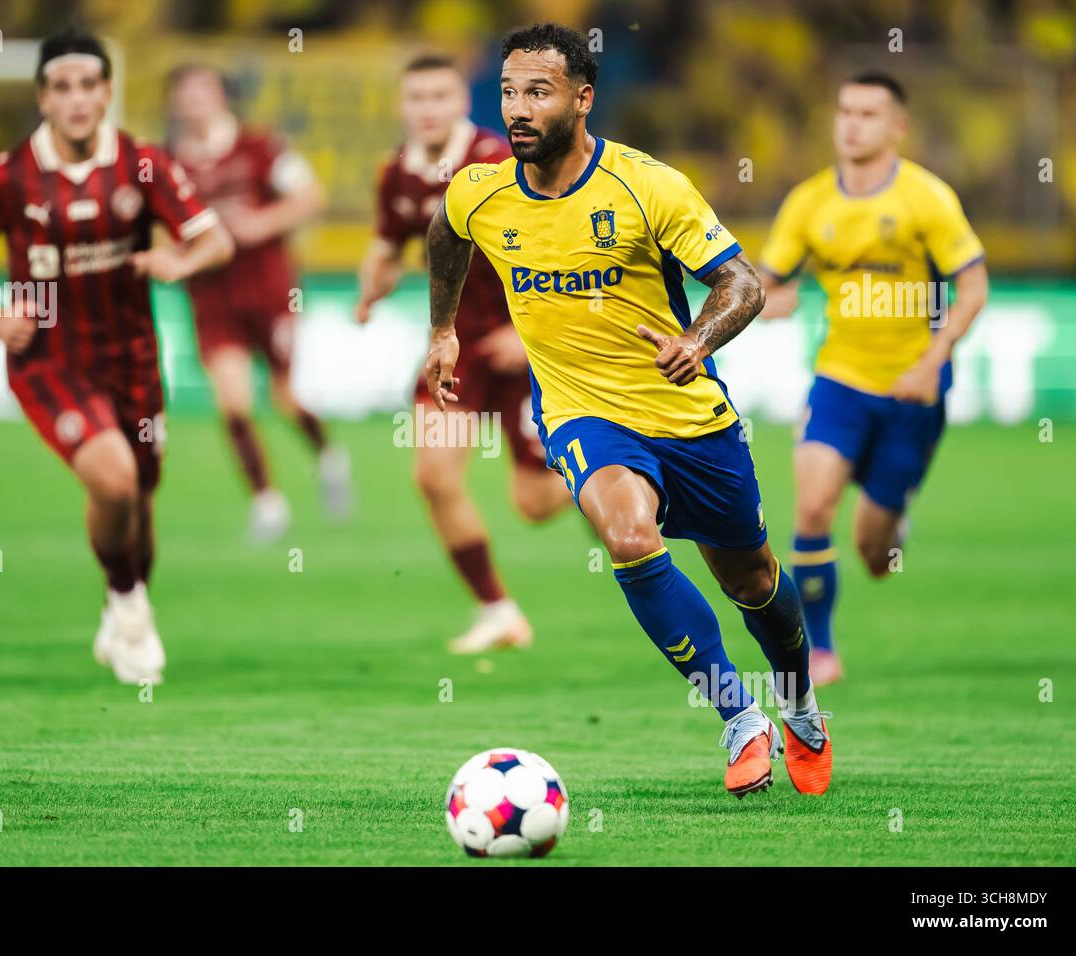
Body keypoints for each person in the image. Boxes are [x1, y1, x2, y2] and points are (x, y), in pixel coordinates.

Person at [426, 23, 831, 797]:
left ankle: (799, 702)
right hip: (582, 415)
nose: (517, 108)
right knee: (626, 532)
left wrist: (697, 340)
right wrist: (442, 329)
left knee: (751, 581)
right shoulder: (480, 189)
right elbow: (448, 236)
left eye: (536, 92)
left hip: (688, 416)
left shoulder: (649, 186)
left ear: (582, 99)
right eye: (509, 91)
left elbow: (743, 284)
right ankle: (737, 714)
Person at [0, 31, 232, 684]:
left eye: (88, 86)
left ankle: (120, 602)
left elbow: (217, 240)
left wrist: (178, 259)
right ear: (44, 97)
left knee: (140, 501)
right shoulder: (12, 172)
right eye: (62, 88)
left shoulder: (142, 164)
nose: (76, 100)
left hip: (131, 357)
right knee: (112, 478)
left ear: (106, 93)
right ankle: (131, 610)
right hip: (49, 359)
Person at [760, 73, 989, 686]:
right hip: (839, 379)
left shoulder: (926, 198)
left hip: (912, 389)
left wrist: (933, 360)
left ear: (897, 127)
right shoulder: (809, 202)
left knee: (876, 555)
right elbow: (765, 280)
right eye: (844, 111)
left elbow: (973, 286)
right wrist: (769, 298)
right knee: (811, 508)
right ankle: (822, 651)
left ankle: (892, 521)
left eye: (867, 113)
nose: (852, 123)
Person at [356, 54, 568, 654]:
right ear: (404, 105)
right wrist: (371, 284)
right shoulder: (396, 173)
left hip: (527, 348)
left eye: (439, 97)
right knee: (433, 474)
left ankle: (608, 475)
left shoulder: (501, 161)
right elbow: (385, 244)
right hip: (454, 350)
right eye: (416, 98)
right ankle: (497, 610)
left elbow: (557, 250)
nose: (427, 109)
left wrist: (527, 335)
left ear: (462, 102)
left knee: (534, 503)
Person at [167, 64, 348, 542]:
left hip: (268, 291)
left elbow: (311, 196)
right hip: (210, 296)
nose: (194, 103)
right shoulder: (168, 163)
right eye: (185, 95)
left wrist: (260, 223)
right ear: (175, 104)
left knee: (284, 397)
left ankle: (328, 457)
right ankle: (267, 501)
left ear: (221, 97)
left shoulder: (261, 147)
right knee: (233, 403)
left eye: (202, 92)